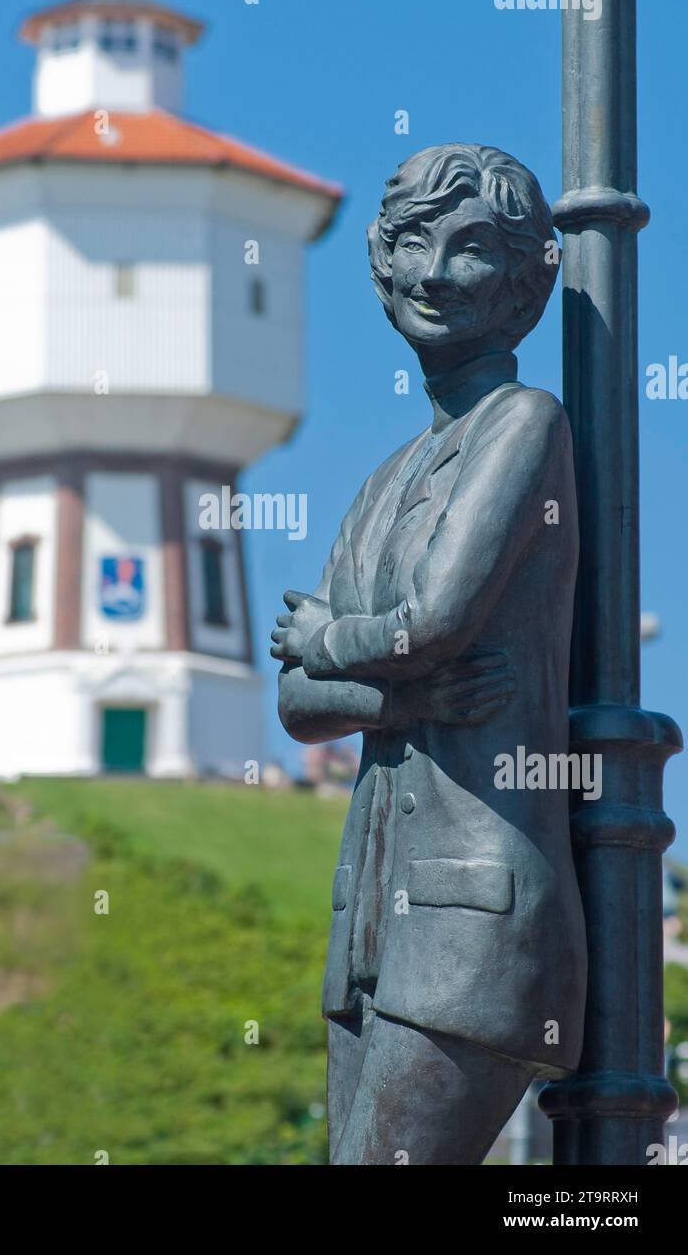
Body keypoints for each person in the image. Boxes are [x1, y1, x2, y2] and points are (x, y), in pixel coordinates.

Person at [271, 144, 587, 1165]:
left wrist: (331, 642)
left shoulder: (524, 424)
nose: (436, 273)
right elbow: (293, 702)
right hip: (372, 920)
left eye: (473, 249)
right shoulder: (382, 481)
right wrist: (399, 704)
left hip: (474, 914)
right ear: (381, 262)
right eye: (414, 242)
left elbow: (435, 616)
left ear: (526, 282)